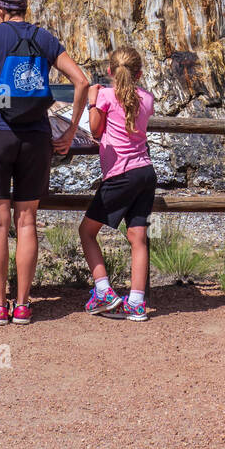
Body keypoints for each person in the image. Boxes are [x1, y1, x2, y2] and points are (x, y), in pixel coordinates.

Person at [0, 0, 89, 326]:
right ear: (25, 8)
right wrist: (68, 130)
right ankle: (22, 305)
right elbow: (81, 81)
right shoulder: (45, 38)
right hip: (35, 136)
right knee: (27, 222)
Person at [78, 46, 156, 322]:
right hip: (145, 172)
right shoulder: (147, 97)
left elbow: (96, 129)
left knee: (86, 232)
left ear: (110, 72)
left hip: (120, 174)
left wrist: (92, 101)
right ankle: (135, 302)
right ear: (140, 73)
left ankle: (104, 291)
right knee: (138, 238)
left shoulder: (106, 97)